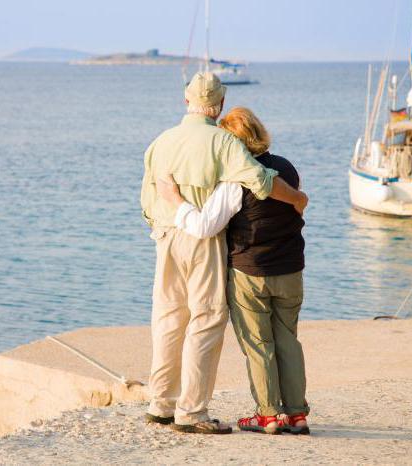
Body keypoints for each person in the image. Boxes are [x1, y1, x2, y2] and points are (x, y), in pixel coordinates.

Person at [141, 74, 308, 434]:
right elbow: (259, 180)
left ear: (186, 102)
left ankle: (160, 404)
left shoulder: (160, 142)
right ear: (217, 106)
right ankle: (191, 412)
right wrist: (296, 198)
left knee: (168, 320)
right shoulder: (223, 142)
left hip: (166, 236)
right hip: (203, 239)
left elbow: (146, 200)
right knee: (206, 321)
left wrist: (162, 225)